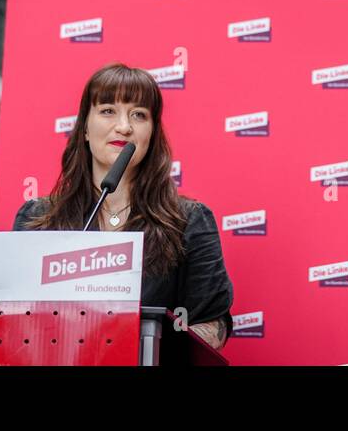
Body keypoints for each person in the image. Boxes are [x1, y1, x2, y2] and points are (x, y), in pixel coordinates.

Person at [14, 63, 233, 349]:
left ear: (152, 134)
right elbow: (13, 317)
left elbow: (213, 321)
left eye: (139, 115)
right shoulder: (38, 218)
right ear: (85, 129)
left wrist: (154, 349)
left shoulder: (188, 220)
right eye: (108, 110)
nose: (124, 126)